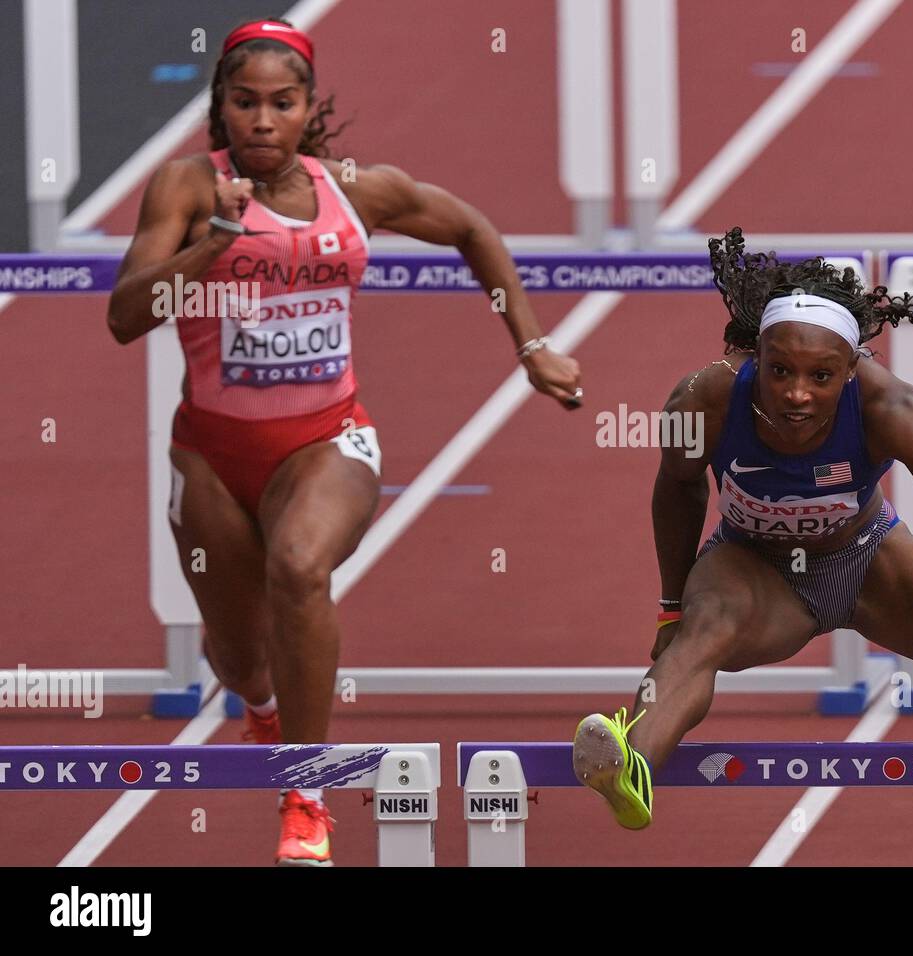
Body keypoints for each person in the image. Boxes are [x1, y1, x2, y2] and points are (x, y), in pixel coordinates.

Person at [107, 18, 581, 865]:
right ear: (220, 106)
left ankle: (306, 790)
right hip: (210, 455)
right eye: (244, 102)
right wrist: (215, 237)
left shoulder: (355, 189)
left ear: (307, 109)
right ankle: (260, 711)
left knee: (299, 565)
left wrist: (531, 344)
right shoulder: (184, 186)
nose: (261, 121)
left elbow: (473, 229)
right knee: (238, 654)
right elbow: (125, 316)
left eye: (280, 104)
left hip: (327, 440)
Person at [572, 227, 913, 829]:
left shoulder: (892, 409)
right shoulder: (702, 400)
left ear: (851, 368)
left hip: (873, 566)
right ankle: (633, 766)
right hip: (757, 571)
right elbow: (677, 489)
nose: (796, 394)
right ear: (755, 356)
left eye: (821, 377)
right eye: (780, 369)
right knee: (701, 634)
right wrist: (670, 610)